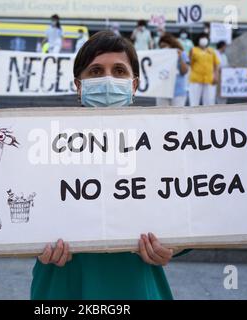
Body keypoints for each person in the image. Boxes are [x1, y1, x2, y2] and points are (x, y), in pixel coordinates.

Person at [30, 31, 190, 300]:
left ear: (134, 85)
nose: (107, 80)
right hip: (62, 288)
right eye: (95, 71)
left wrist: (173, 246)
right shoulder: (41, 148)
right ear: (79, 86)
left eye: (118, 71)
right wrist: (31, 241)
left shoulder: (162, 149)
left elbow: (188, 208)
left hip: (137, 287)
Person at [157, 34, 189, 107]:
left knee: (178, 116)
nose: (163, 48)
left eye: (165, 46)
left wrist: (180, 58)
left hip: (178, 91)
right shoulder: (159, 55)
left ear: (171, 44)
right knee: (161, 115)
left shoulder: (182, 54)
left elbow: (184, 72)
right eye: (161, 47)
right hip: (162, 91)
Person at [188, 33, 220, 106]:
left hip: (209, 79)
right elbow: (189, 63)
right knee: (194, 101)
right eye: (202, 38)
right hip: (196, 79)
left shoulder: (211, 51)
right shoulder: (193, 50)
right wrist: (190, 55)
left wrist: (216, 76)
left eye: (205, 38)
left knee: (209, 101)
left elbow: (216, 64)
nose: (204, 40)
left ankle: (208, 116)